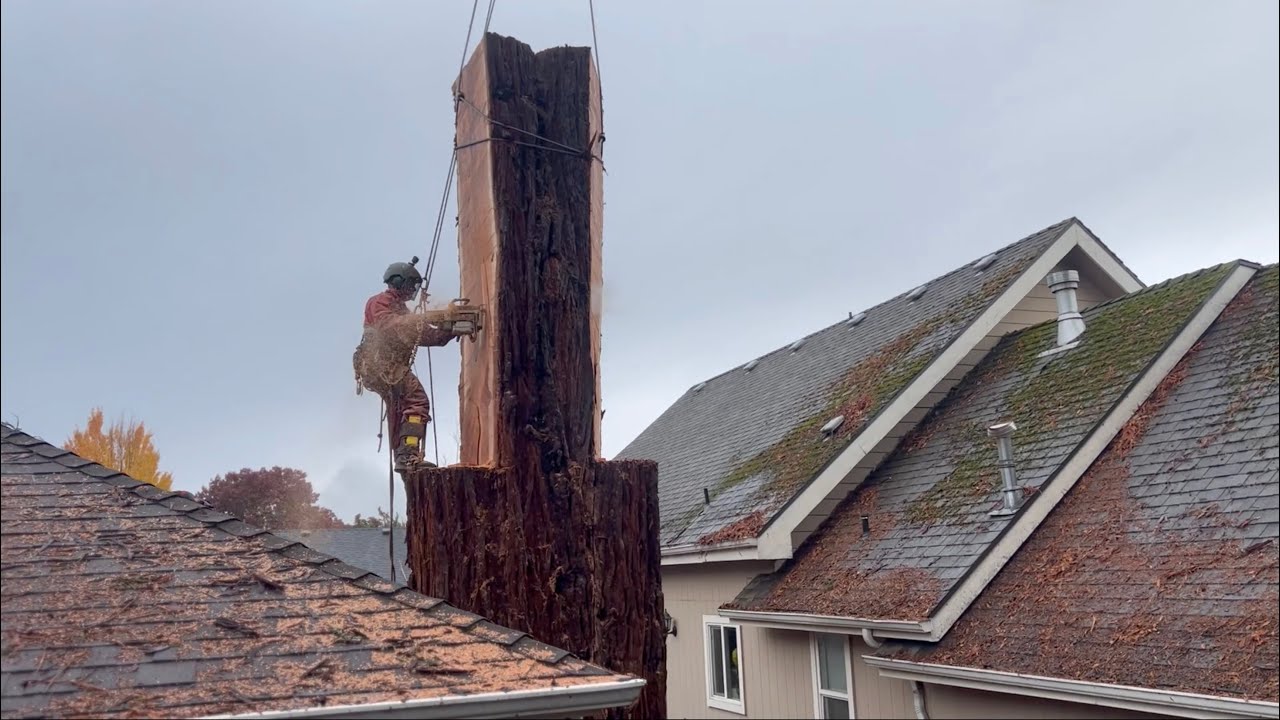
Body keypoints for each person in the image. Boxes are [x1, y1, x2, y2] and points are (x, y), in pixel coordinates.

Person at [353, 258, 457, 472]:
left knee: (401, 409)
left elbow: (428, 336)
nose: (412, 290)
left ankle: (404, 457)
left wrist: (450, 328)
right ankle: (408, 454)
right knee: (417, 400)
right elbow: (387, 324)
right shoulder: (380, 301)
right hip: (380, 364)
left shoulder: (403, 312)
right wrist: (422, 318)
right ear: (399, 281)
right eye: (410, 285)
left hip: (387, 367)